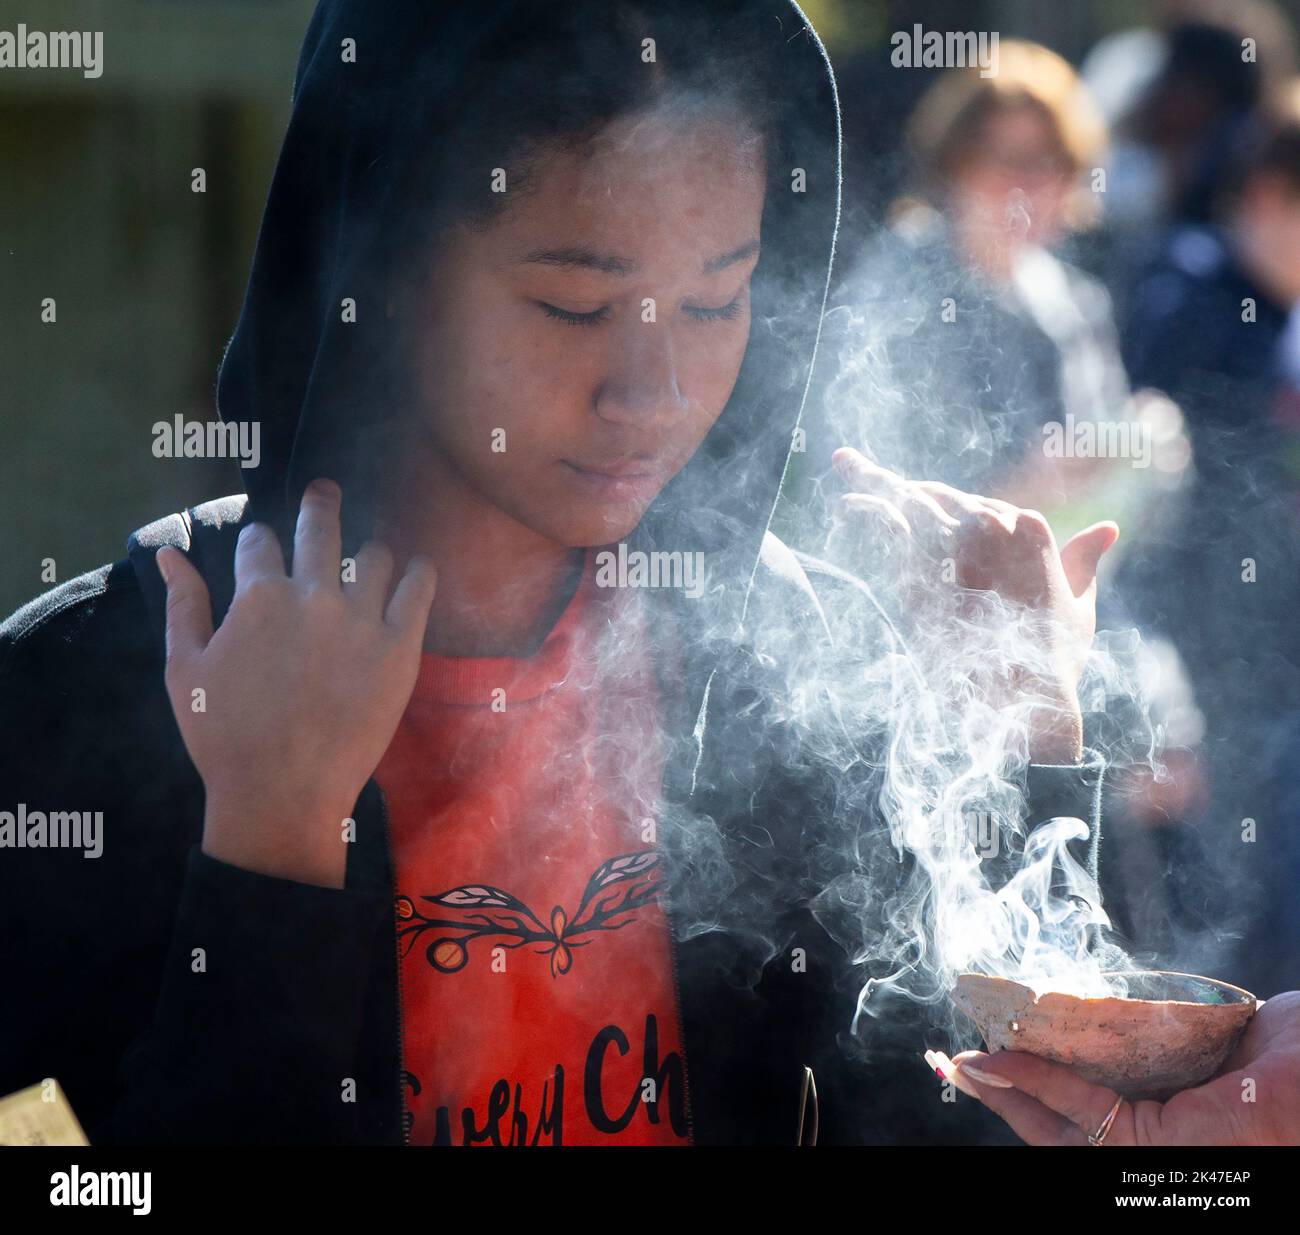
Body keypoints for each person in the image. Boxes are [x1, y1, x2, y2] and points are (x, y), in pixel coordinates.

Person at [0, 0, 1292, 1149]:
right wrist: (266, 855)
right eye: (575, 305)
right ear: (373, 269)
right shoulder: (103, 684)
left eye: (720, 299)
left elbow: (985, 1126)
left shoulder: (793, 662)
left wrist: (1018, 749)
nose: (656, 391)